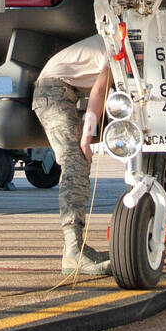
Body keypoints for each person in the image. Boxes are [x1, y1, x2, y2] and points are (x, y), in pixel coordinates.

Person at [31, 35, 114, 276]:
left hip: (61, 92)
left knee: (76, 162)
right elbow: (100, 88)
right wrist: (87, 139)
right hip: (53, 93)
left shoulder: (116, 36)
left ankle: (78, 247)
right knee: (75, 162)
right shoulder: (117, 40)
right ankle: (73, 252)